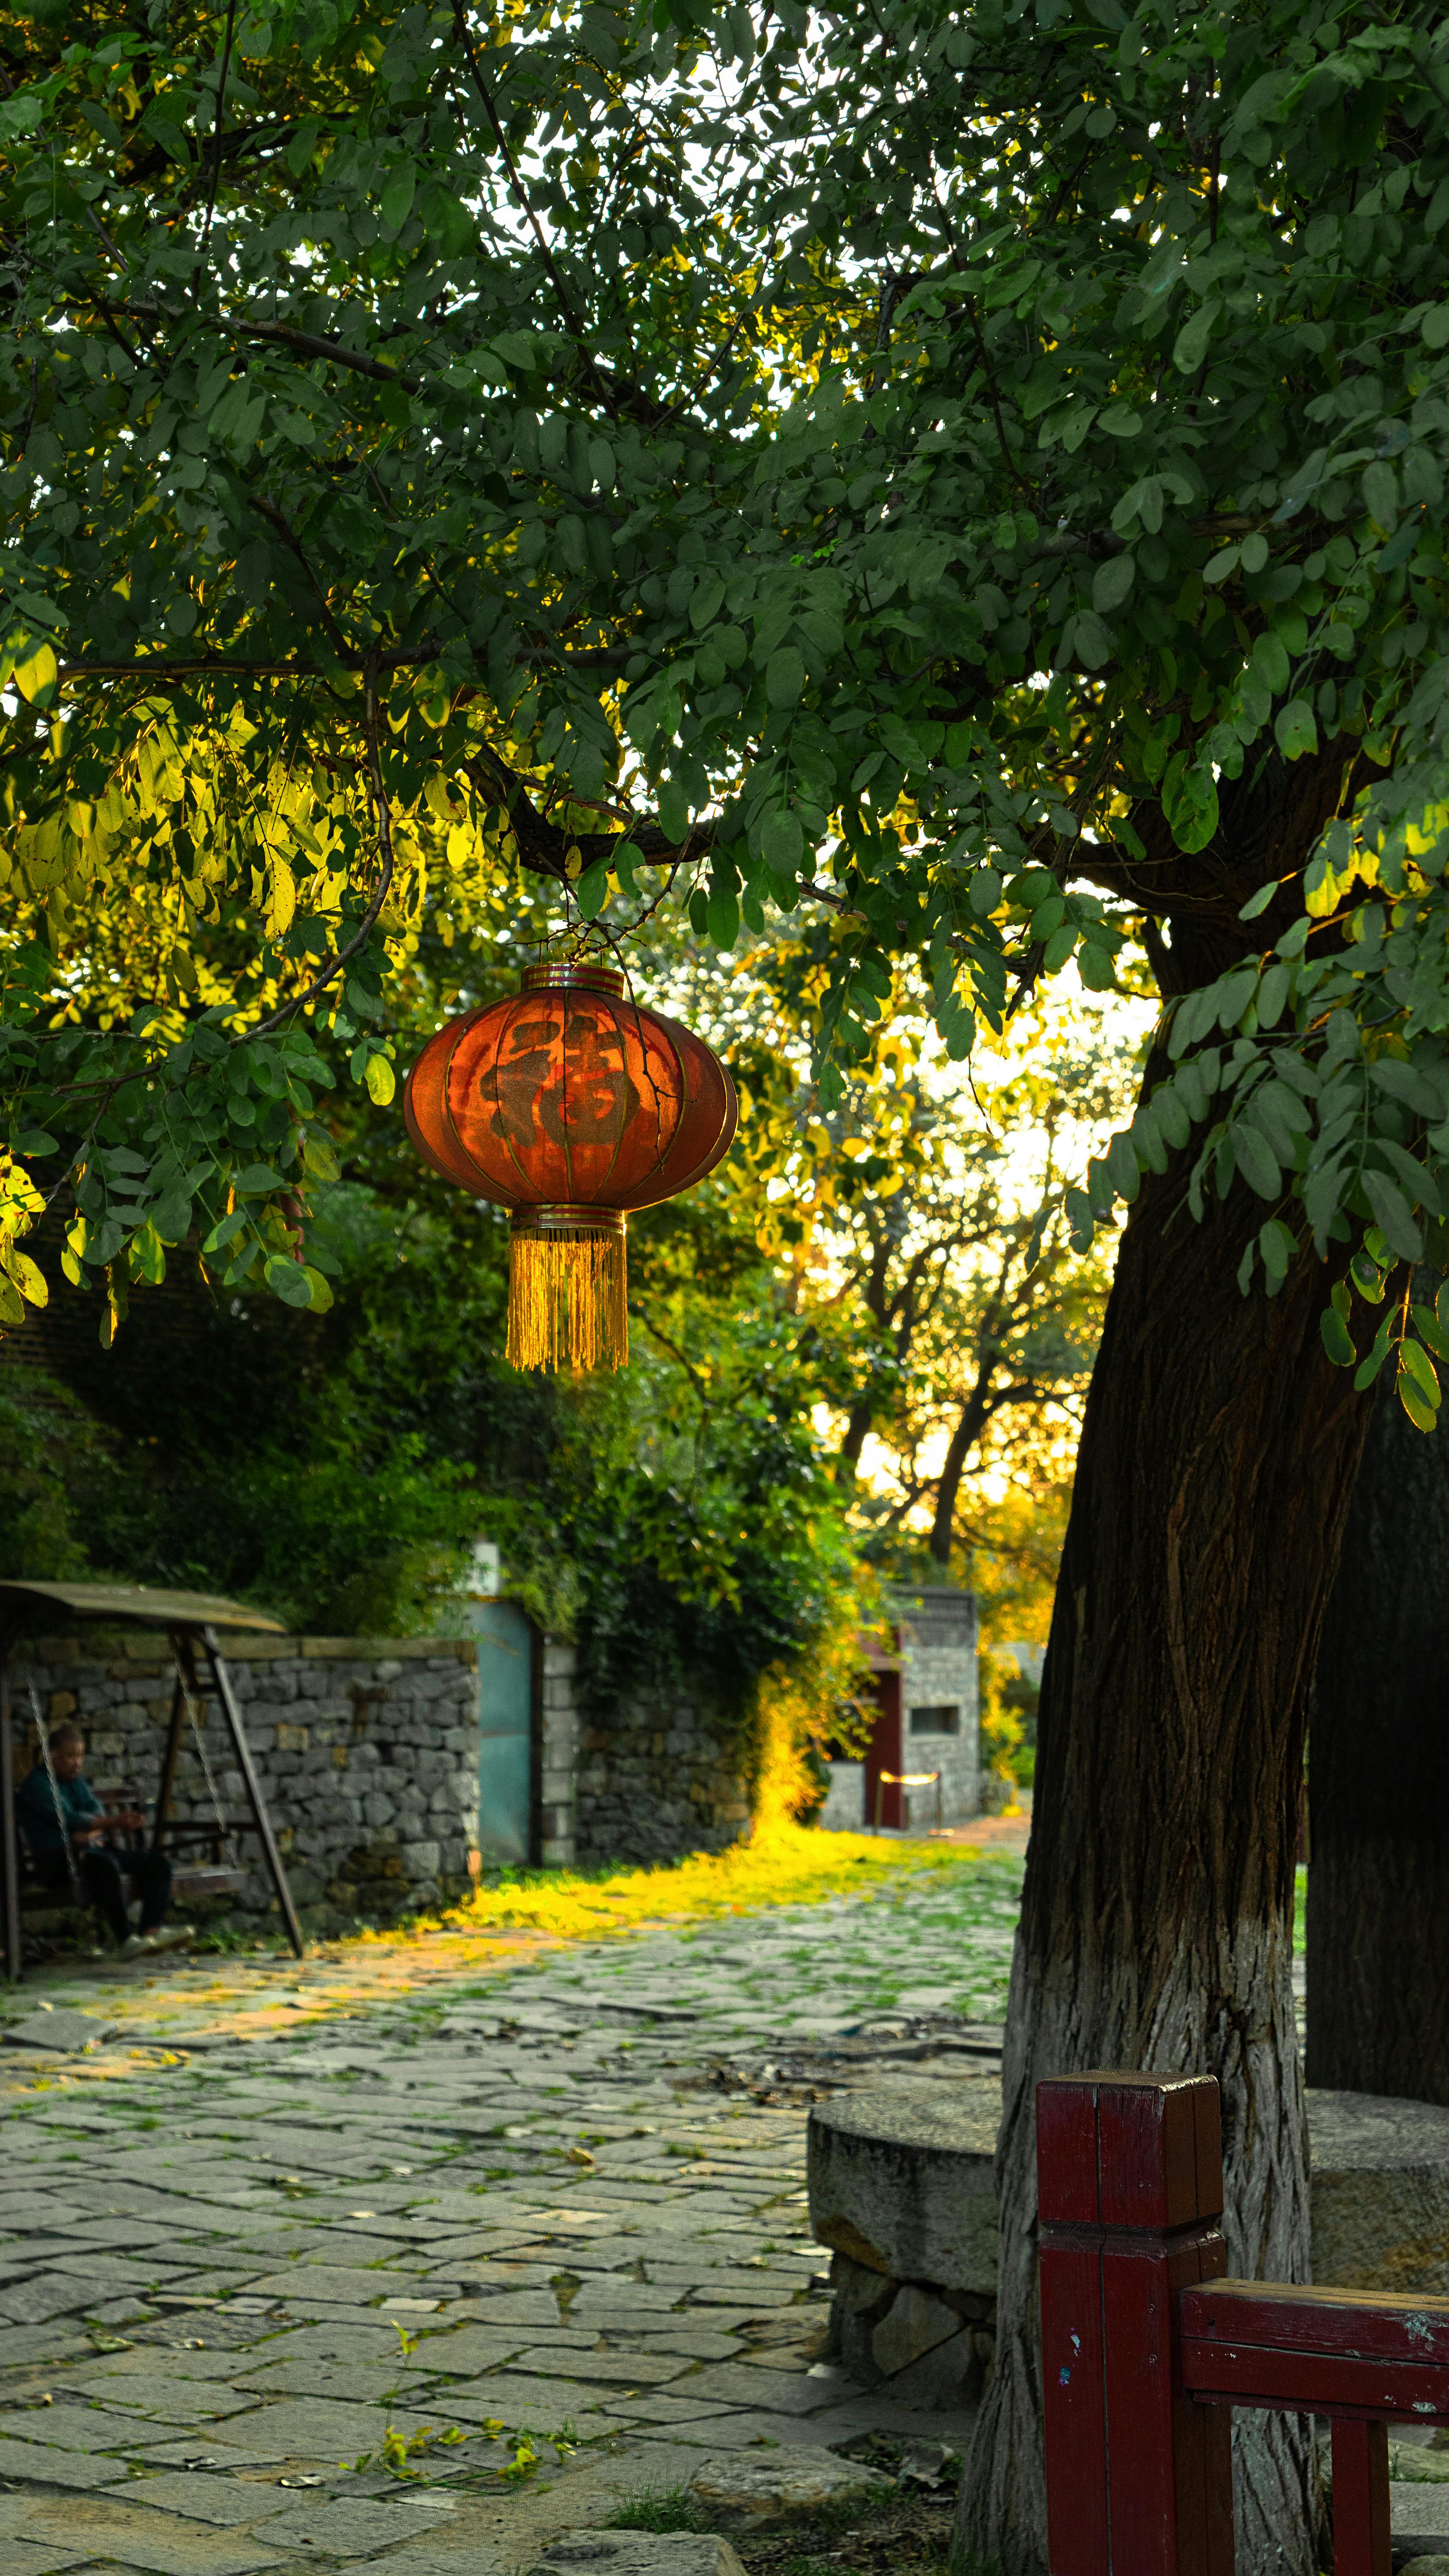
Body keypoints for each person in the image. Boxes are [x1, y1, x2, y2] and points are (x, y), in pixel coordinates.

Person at [16, 1724, 189, 1959]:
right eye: (70, 1757)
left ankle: (152, 1932)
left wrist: (90, 1832)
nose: (77, 1763)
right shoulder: (38, 1784)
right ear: (52, 1756)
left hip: (90, 1852)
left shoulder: (75, 1782)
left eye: (80, 1756)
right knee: (106, 1865)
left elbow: (95, 1810)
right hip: (59, 1861)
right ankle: (126, 1940)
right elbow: (70, 1818)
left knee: (158, 1863)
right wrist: (112, 1823)